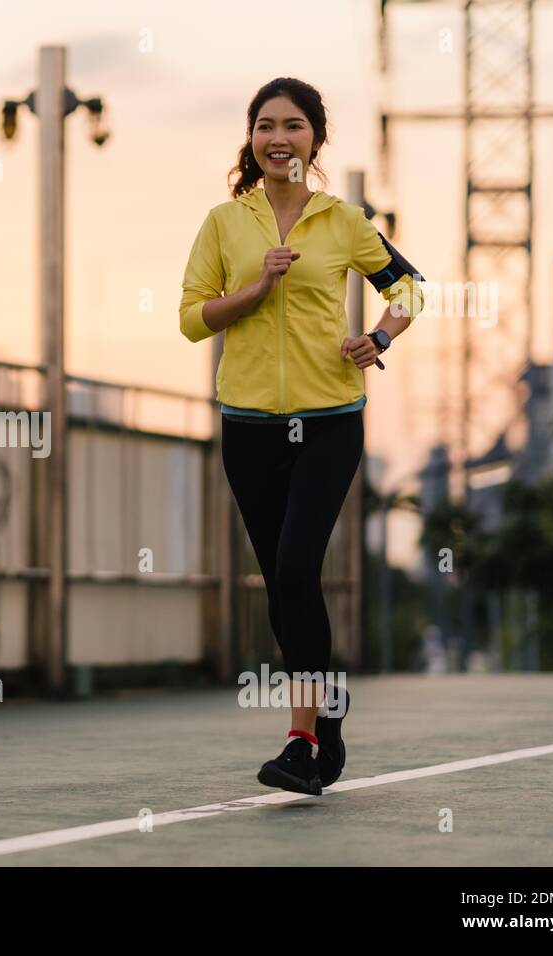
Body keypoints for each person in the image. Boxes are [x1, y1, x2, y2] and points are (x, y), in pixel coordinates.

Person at [179, 77, 425, 795]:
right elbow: (192, 318)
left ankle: (300, 739)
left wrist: (379, 336)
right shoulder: (225, 223)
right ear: (251, 139)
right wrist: (255, 289)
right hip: (248, 426)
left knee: (294, 571)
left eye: (292, 125)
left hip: (328, 421)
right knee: (282, 589)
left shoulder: (343, 221)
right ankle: (327, 710)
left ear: (315, 138)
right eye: (265, 126)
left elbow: (409, 288)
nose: (278, 138)